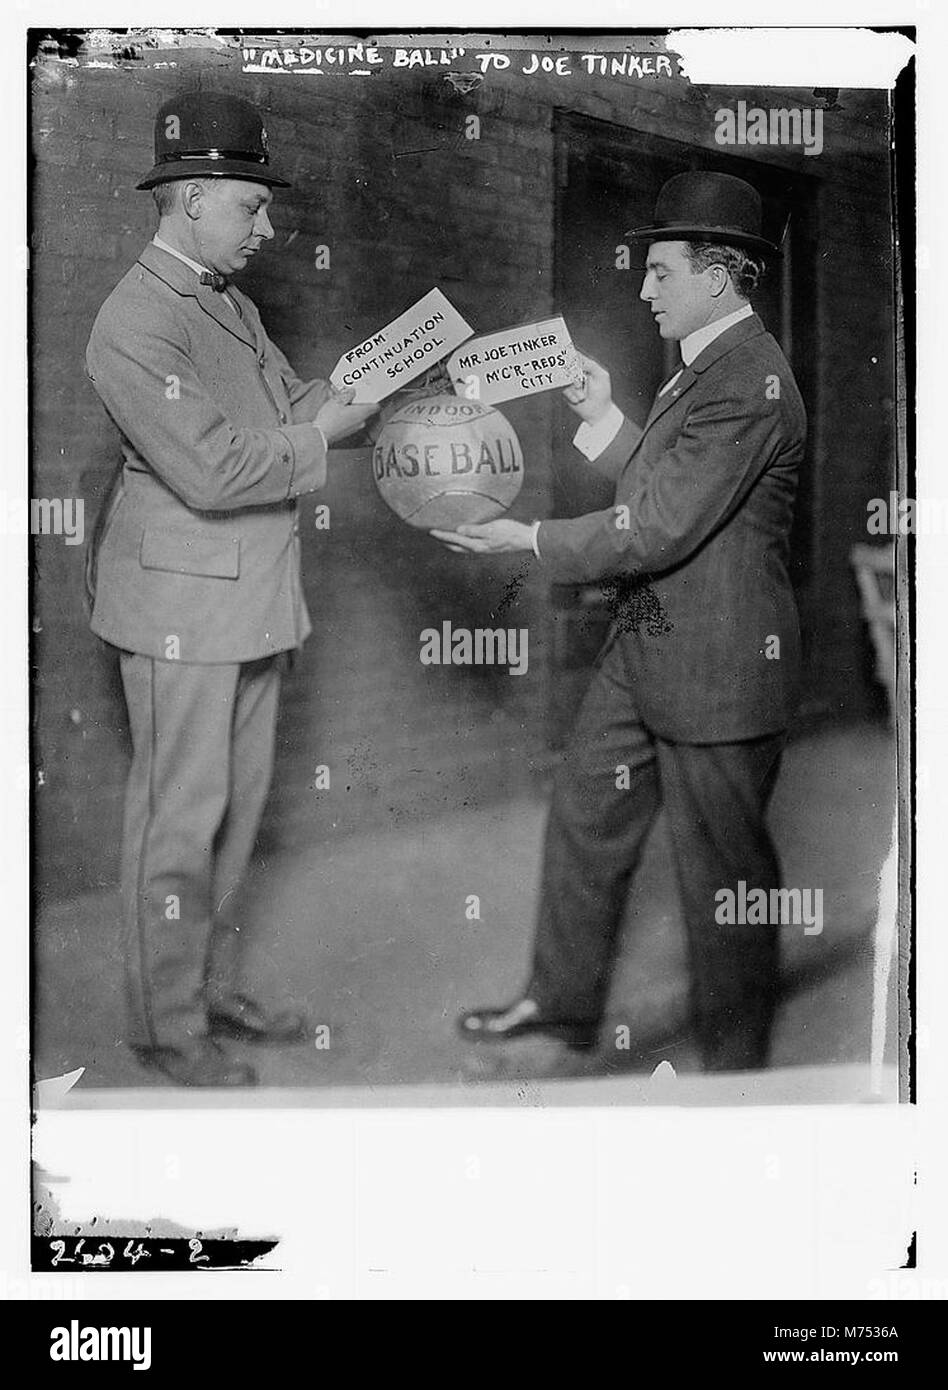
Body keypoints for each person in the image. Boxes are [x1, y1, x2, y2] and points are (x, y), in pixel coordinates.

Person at [434, 171, 806, 1071]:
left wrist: (527, 536)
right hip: (648, 649)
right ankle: (562, 1006)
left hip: (720, 664)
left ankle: (736, 1081)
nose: (642, 289)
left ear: (718, 276)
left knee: (724, 882)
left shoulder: (751, 378)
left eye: (660, 272)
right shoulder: (705, 368)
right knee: (585, 813)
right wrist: (602, 417)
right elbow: (664, 485)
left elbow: (663, 524)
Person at [85, 91, 377, 1086]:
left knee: (234, 815)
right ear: (192, 198)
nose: (267, 227)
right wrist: (318, 435)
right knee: (178, 822)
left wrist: (377, 393)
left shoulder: (224, 299)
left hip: (249, 599)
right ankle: (167, 1029)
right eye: (250, 208)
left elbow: (292, 408)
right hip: (179, 613)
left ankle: (206, 990)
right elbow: (209, 469)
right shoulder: (134, 320)